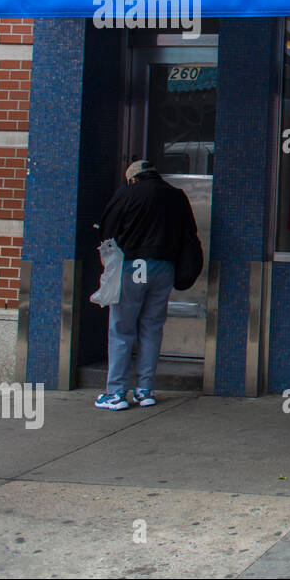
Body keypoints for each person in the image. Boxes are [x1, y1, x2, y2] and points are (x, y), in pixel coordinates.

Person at [93, 160, 198, 410]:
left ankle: (117, 393)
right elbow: (189, 234)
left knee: (122, 328)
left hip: (133, 267)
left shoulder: (127, 194)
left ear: (133, 178)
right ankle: (145, 390)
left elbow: (107, 231)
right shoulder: (176, 195)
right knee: (152, 327)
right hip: (164, 268)